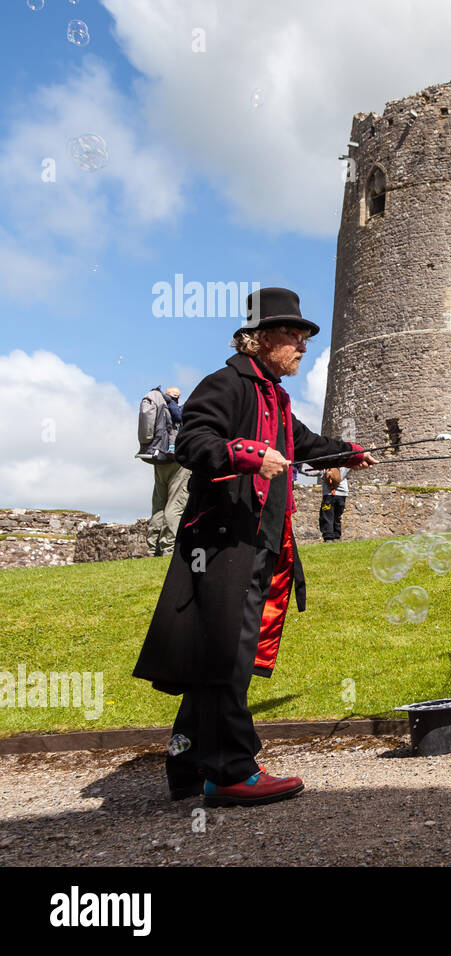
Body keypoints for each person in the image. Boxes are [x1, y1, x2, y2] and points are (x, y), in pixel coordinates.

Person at [133, 287, 375, 808]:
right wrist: (245, 453)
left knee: (216, 655)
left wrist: (349, 453)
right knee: (227, 655)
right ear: (260, 339)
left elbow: (303, 445)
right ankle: (232, 772)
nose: (304, 345)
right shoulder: (226, 384)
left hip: (260, 541)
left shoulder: (277, 397)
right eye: (294, 335)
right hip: (223, 544)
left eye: (306, 337)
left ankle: (189, 765)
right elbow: (192, 442)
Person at [139, 386, 192, 556]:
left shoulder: (157, 406)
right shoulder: (174, 410)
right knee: (175, 504)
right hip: (177, 461)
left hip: (158, 459)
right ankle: (168, 549)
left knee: (159, 505)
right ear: (176, 396)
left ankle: (152, 548)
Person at [314, 464, 351, 541]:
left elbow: (311, 472)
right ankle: (336, 536)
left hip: (328, 495)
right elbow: (349, 467)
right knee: (337, 516)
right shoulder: (344, 467)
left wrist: (299, 467)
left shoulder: (325, 468)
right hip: (342, 495)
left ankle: (328, 537)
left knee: (326, 515)